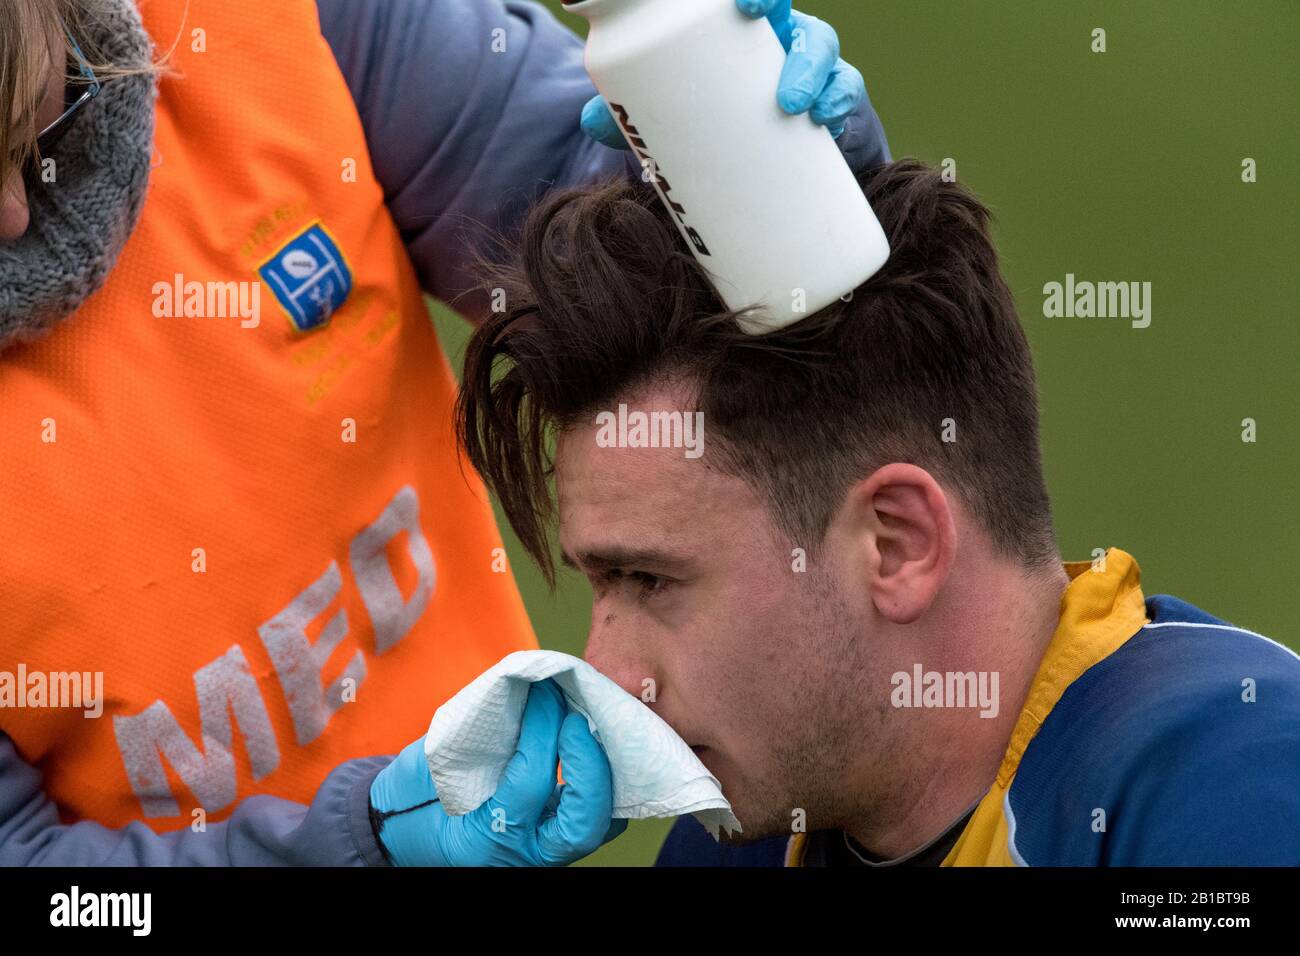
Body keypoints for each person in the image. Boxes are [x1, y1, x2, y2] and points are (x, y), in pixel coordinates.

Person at [0, 0, 888, 866]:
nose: (12, 214)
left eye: (34, 123)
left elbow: (641, 261)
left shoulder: (270, 21)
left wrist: (762, 156)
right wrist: (365, 846)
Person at [455, 158, 1300, 866]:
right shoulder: (738, 838)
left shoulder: (1227, 789)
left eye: (649, 579)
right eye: (601, 585)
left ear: (896, 543)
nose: (608, 676)